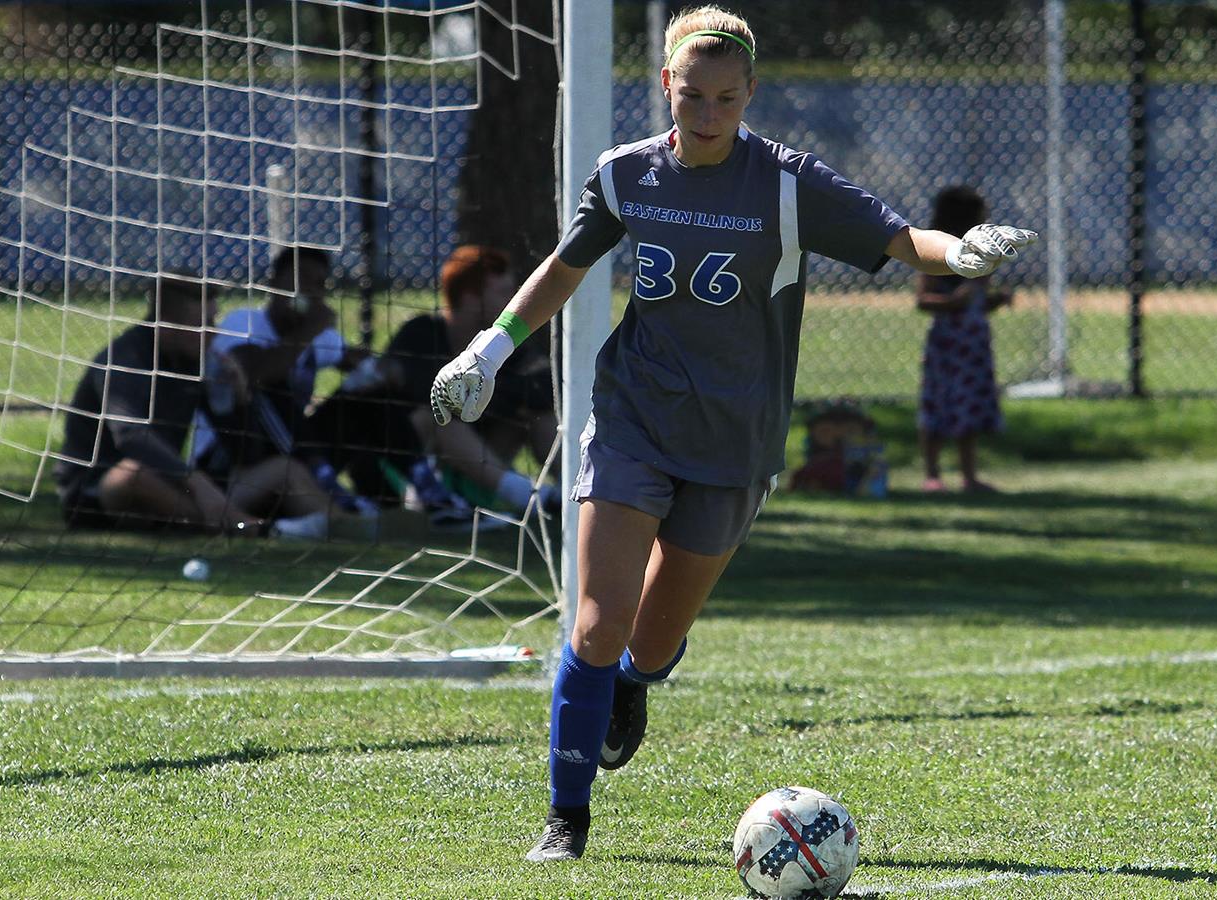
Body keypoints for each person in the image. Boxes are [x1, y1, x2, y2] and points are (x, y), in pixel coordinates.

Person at [428, 6, 1037, 862]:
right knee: (599, 621)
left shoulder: (788, 184)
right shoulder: (624, 174)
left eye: (726, 98)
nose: (707, 114)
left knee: (653, 639)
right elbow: (565, 268)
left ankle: (636, 685)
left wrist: (960, 254)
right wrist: (488, 352)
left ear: (750, 93)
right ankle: (567, 820)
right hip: (634, 417)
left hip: (738, 440)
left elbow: (899, 237)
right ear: (667, 87)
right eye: (692, 96)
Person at [192, 245, 477, 532]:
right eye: (300, 278)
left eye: (319, 284)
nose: (310, 290)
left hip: (297, 454)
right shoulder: (245, 321)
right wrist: (311, 330)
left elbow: (361, 363)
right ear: (273, 282)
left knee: (371, 395)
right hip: (235, 461)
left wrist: (382, 371)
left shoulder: (315, 334)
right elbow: (256, 374)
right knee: (273, 388)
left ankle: (430, 491)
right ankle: (333, 492)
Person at [56, 272, 325, 535]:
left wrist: (237, 401)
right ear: (169, 325)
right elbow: (131, 437)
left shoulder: (198, 361)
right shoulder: (125, 359)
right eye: (204, 323)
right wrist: (195, 481)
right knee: (130, 474)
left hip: (178, 487)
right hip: (100, 496)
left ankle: (345, 526)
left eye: (214, 320)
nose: (214, 332)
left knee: (284, 470)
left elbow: (246, 457)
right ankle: (256, 529)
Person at [385, 245, 560, 513]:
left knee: (540, 416)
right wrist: (493, 392)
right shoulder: (419, 333)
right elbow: (427, 394)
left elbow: (542, 388)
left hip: (482, 455)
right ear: (469, 297)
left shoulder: (504, 344)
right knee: (441, 416)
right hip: (417, 457)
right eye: (502, 292)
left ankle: (577, 491)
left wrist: (490, 395)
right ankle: (528, 497)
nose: (513, 300)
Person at [916, 186, 1012, 494]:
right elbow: (923, 300)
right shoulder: (936, 252)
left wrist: (993, 300)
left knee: (969, 406)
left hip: (973, 343)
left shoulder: (982, 255)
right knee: (940, 403)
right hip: (948, 343)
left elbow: (977, 301)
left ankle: (969, 475)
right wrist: (953, 301)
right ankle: (933, 474)